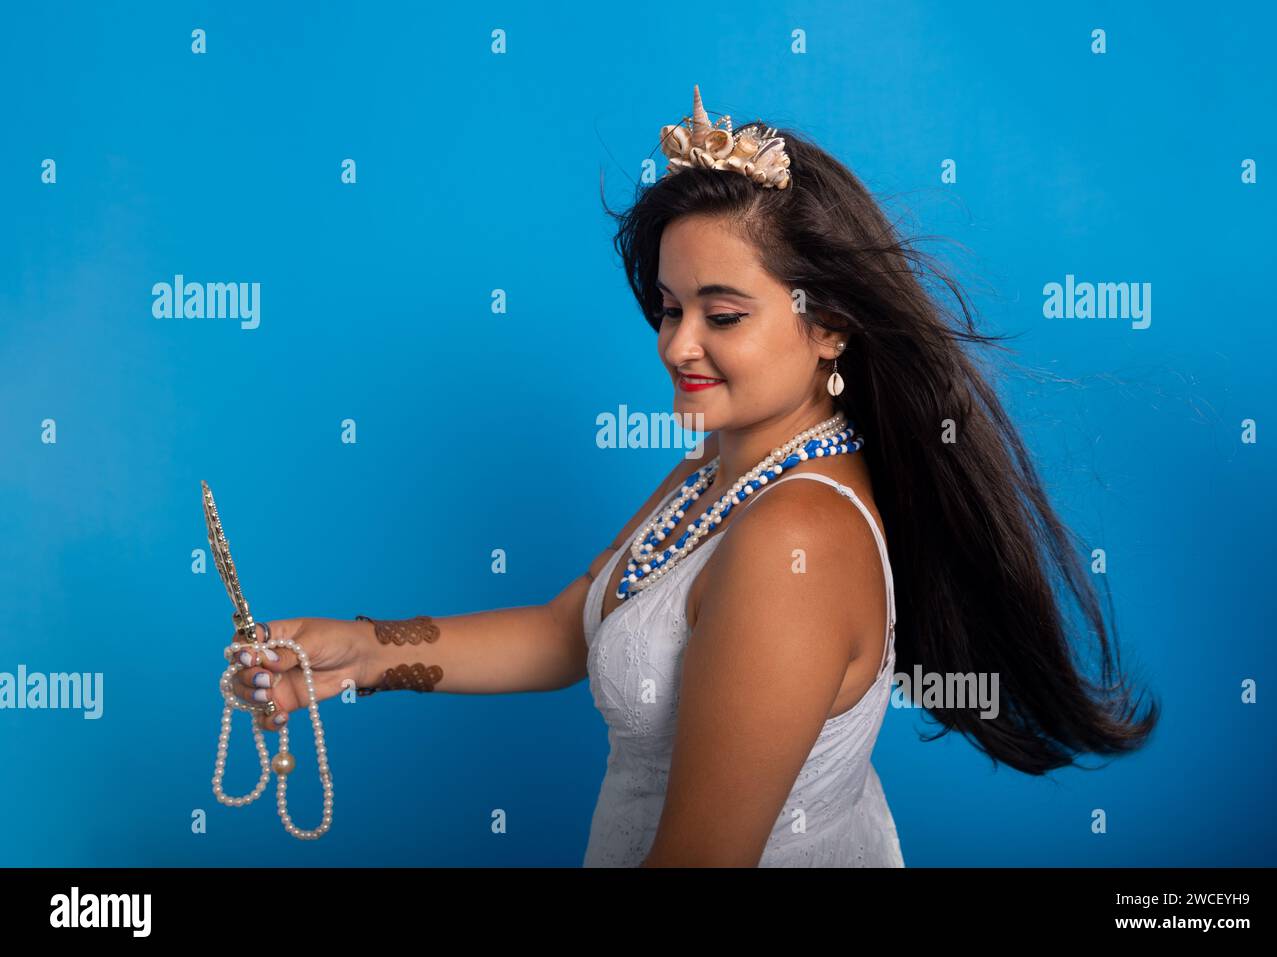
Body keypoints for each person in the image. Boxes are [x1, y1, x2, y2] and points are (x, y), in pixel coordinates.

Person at [226, 85, 1159, 867]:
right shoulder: (723, 470)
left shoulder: (794, 538)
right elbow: (567, 628)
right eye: (670, 308)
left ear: (828, 324)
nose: (679, 345)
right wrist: (356, 654)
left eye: (724, 314)